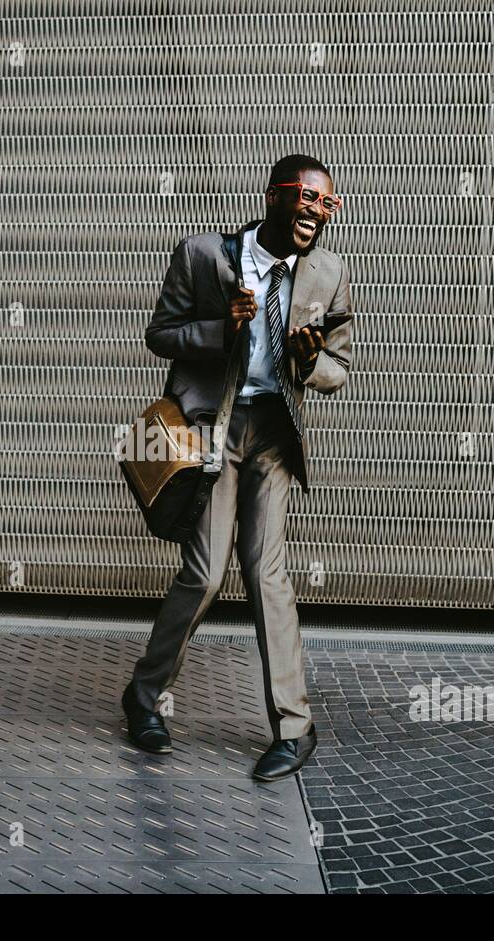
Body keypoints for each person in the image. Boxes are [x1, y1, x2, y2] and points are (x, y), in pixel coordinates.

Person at [122, 154, 353, 781]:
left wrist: (308, 363)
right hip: (215, 431)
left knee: (267, 574)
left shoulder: (326, 273)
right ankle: (143, 699)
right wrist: (219, 330)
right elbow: (159, 334)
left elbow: (338, 368)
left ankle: (294, 728)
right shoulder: (206, 256)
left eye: (327, 205)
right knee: (202, 575)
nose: (317, 213)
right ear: (276, 197)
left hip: (274, 437)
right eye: (307, 200)